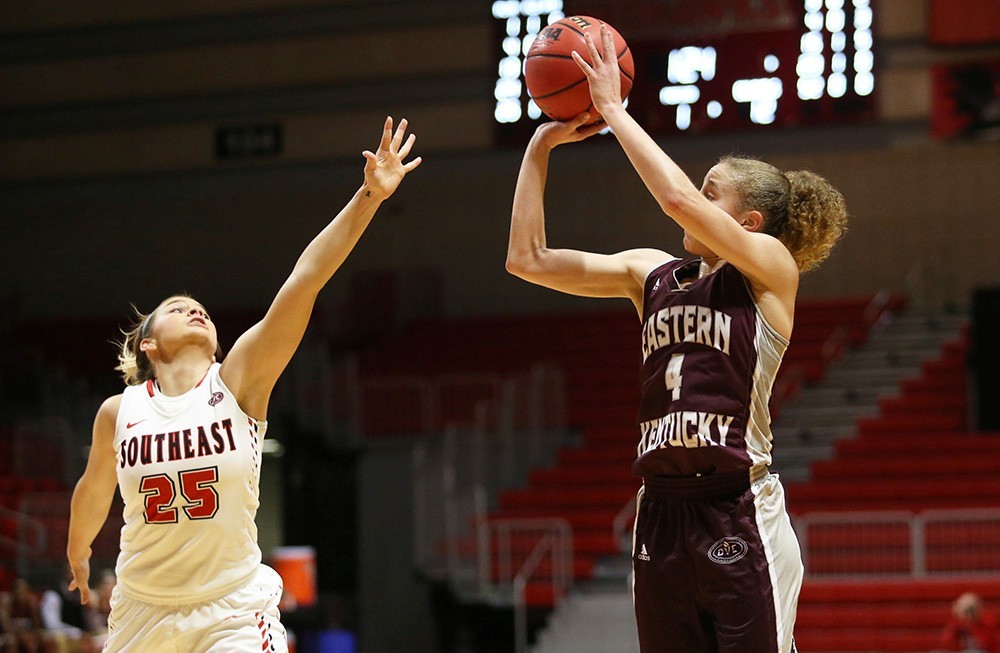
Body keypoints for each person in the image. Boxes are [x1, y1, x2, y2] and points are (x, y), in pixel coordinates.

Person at [505, 25, 847, 653]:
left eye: (713, 192)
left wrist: (612, 108)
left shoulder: (770, 269)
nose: (697, 195)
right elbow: (526, 260)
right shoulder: (650, 273)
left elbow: (676, 199)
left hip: (737, 506)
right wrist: (540, 147)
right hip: (659, 512)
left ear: (745, 222)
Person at [66, 117, 421, 652]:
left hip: (231, 609)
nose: (193, 308)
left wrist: (368, 197)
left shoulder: (239, 381)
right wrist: (76, 551)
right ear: (149, 346)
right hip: (142, 610)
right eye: (175, 309)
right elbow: (94, 491)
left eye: (199, 308)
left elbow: (305, 279)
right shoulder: (119, 412)